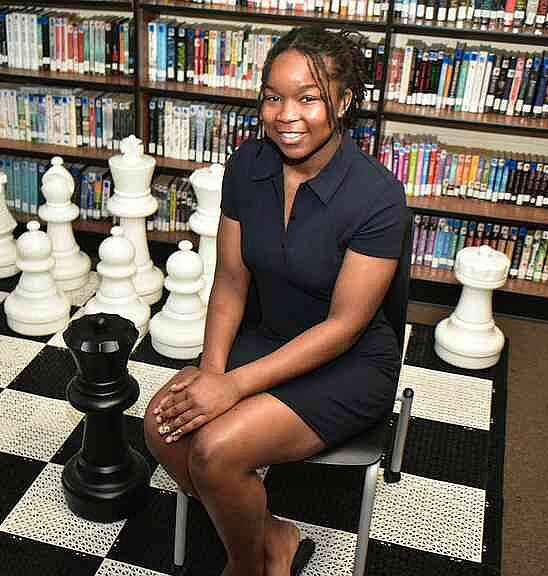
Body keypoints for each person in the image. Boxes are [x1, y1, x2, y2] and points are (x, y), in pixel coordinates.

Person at [143, 26, 408, 576]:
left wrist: (233, 386)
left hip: (350, 362)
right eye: (273, 96)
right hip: (269, 335)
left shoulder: (377, 195)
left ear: (343, 102)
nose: (286, 114)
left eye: (308, 98)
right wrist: (213, 371)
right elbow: (233, 281)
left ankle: (245, 567)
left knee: (215, 450)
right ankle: (274, 537)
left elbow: (345, 326)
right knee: (160, 425)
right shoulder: (248, 165)